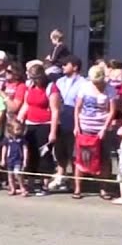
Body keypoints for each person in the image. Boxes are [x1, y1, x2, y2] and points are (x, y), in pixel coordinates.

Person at [18, 61, 60, 195]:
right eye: (32, 78)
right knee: (30, 153)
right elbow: (26, 104)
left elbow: (55, 111)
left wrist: (53, 132)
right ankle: (30, 183)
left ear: (42, 76)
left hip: (45, 124)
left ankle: (45, 184)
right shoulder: (30, 86)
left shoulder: (51, 87)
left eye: (37, 78)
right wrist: (19, 119)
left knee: (44, 154)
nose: (35, 81)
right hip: (30, 123)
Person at [72, 64, 113, 199]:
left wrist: (104, 128)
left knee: (104, 159)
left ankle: (103, 189)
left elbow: (111, 110)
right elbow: (77, 108)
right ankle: (78, 188)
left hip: (101, 128)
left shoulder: (110, 89)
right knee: (81, 158)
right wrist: (76, 126)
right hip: (85, 127)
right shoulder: (84, 87)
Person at [50, 56, 88, 192]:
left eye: (66, 64)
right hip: (61, 115)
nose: (63, 66)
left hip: (74, 117)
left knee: (73, 150)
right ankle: (61, 176)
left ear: (75, 67)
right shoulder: (60, 81)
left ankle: (75, 180)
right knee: (60, 149)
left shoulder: (84, 83)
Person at [1, 119, 28, 196]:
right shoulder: (7, 139)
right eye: (17, 129)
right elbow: (4, 148)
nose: (19, 131)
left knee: (18, 174)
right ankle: (12, 188)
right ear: (10, 130)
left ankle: (22, 188)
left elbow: (25, 149)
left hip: (18, 160)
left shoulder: (22, 139)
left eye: (20, 129)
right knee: (10, 175)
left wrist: (25, 160)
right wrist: (3, 159)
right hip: (10, 159)